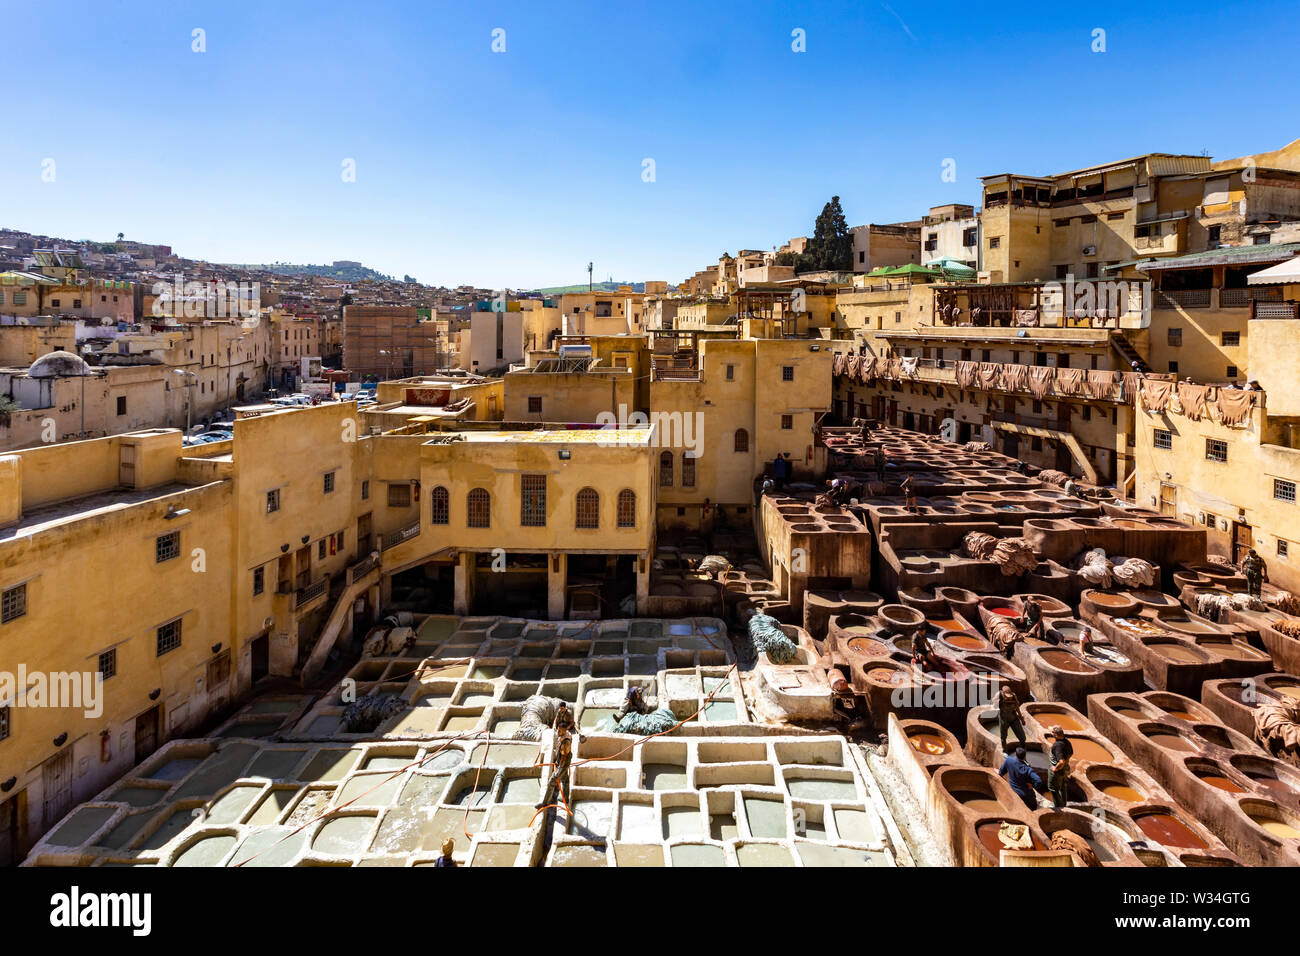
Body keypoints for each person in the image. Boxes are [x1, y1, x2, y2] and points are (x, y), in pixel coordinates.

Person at [536, 732, 574, 810]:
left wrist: (557, 771)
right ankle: (566, 798)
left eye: (559, 731)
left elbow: (563, 758)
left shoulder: (565, 744)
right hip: (564, 764)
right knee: (565, 780)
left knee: (551, 782)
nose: (558, 733)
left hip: (562, 766)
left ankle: (545, 803)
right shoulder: (567, 736)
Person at [998, 746, 1043, 811]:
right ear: (1025, 757)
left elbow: (1001, 772)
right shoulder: (1027, 769)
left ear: (1016, 754)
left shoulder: (1008, 760)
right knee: (1033, 808)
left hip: (1013, 789)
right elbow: (1038, 781)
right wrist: (1033, 786)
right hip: (1026, 795)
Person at [1047, 726, 1074, 808]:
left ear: (1056, 735)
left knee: (1052, 788)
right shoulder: (1067, 742)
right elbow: (1071, 753)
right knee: (1063, 786)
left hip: (1057, 770)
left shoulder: (1057, 746)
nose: (1051, 734)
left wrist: (1056, 768)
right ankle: (1064, 804)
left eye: (1052, 733)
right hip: (1065, 769)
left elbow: (1061, 761)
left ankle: (1059, 806)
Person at [997, 686, 1026, 751]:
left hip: (1013, 718)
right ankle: (1004, 751)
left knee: (1022, 737)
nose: (1009, 699)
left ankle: (1022, 752)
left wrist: (1022, 719)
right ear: (1003, 694)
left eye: (1009, 697)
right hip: (1004, 719)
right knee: (1003, 737)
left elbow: (1017, 708)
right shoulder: (999, 695)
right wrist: (997, 701)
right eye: (1007, 697)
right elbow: (994, 705)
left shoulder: (1014, 696)